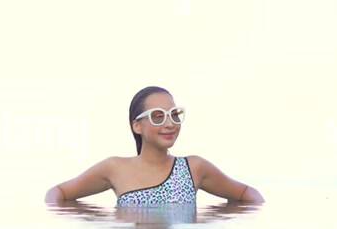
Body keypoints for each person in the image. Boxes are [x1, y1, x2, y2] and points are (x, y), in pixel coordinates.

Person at [44, 86, 265, 206]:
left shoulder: (194, 168)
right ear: (137, 126)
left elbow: (248, 194)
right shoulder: (114, 168)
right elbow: (58, 193)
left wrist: (218, 221)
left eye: (174, 115)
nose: (170, 124)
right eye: (158, 116)